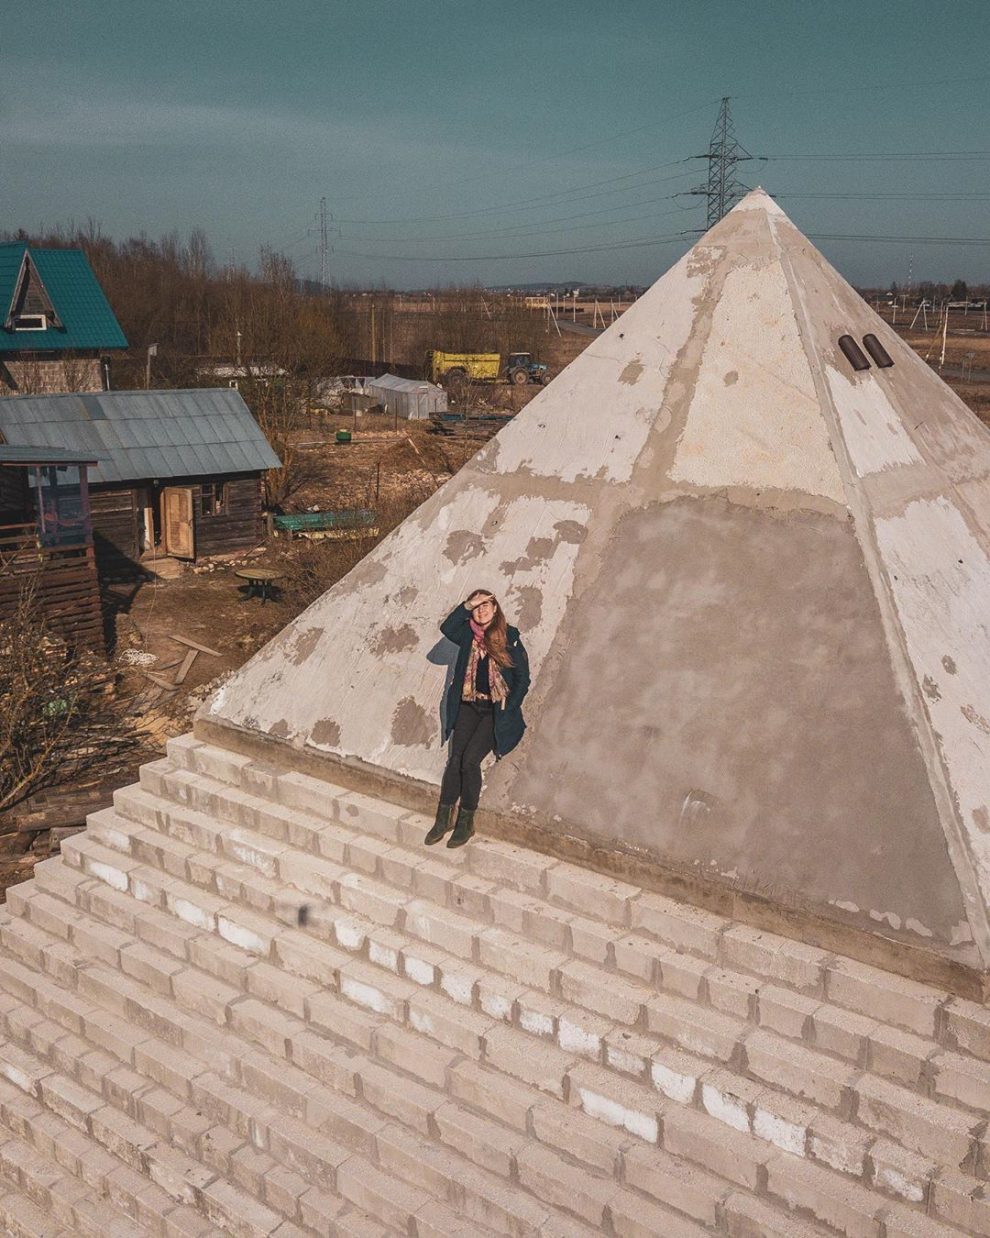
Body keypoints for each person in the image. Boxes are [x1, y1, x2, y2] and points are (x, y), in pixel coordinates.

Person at [425, 589, 531, 848]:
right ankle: (443, 818)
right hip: (468, 706)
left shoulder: (509, 638)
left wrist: (509, 704)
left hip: (493, 710)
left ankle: (465, 822)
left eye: (487, 605)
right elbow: (447, 627)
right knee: (455, 759)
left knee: (470, 761)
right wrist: (466, 604)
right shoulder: (466, 635)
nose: (481, 610)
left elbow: (523, 679)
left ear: (496, 609)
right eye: (477, 606)